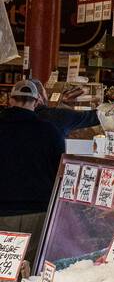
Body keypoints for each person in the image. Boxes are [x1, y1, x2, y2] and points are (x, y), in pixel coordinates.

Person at [0, 78, 67, 251]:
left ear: (10, 99)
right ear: (37, 102)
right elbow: (60, 171)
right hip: (37, 212)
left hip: (3, 212)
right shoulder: (50, 131)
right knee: (28, 271)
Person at [32, 79, 99, 138]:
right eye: (45, 93)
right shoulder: (55, 116)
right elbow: (93, 117)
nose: (47, 95)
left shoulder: (23, 119)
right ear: (39, 97)